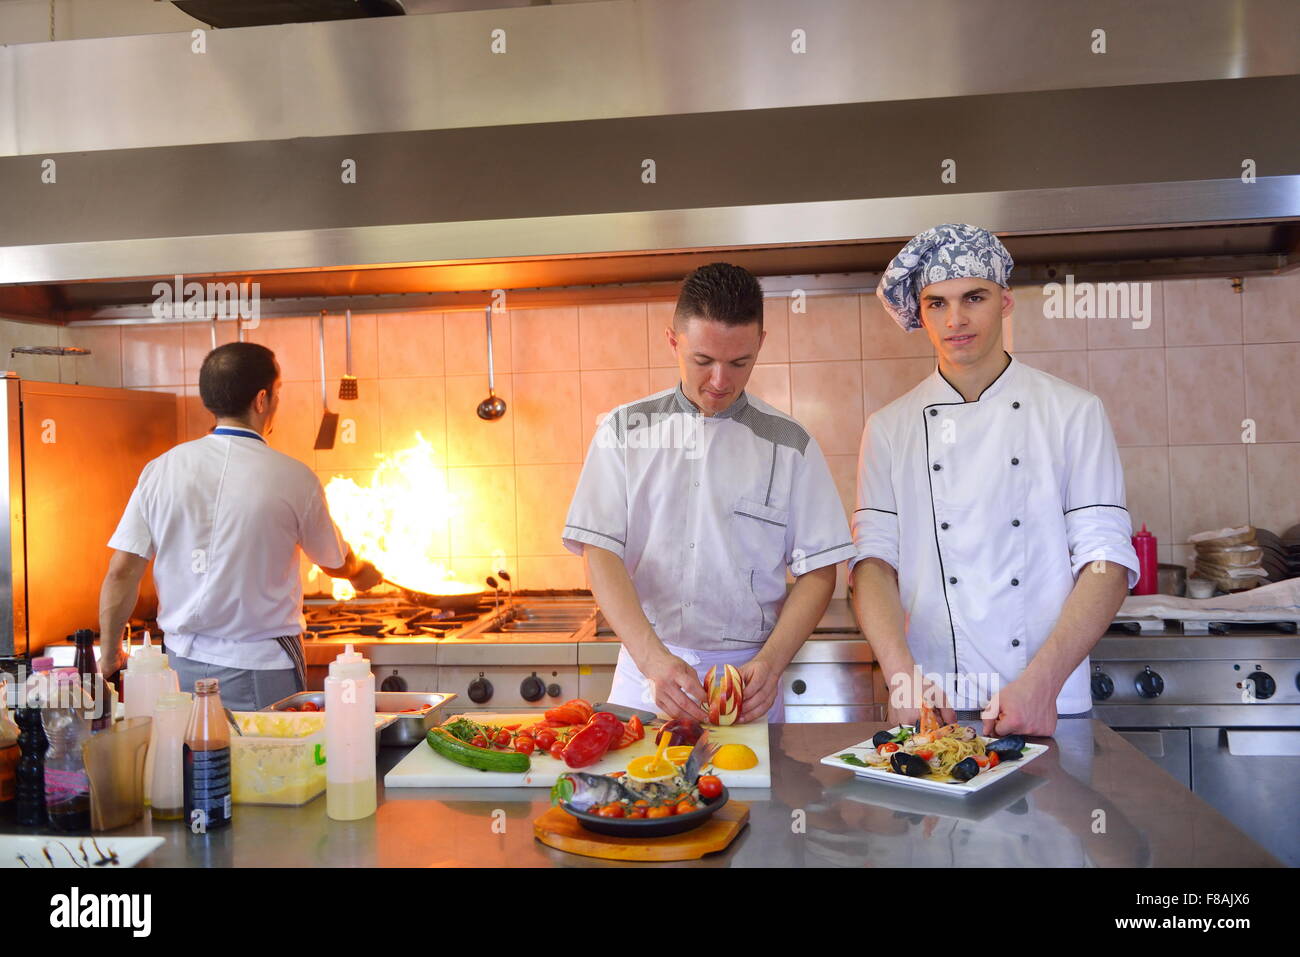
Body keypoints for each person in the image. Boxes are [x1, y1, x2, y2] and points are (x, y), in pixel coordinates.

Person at [851, 224, 1139, 738]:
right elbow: (873, 563)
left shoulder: (1073, 413)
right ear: (920, 312)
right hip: (932, 703)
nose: (955, 320)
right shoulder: (889, 428)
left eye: (973, 298)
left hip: (1044, 698)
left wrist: (1043, 683)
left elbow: (1107, 561)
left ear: (1005, 302)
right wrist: (901, 676)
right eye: (936, 303)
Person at [563, 263, 856, 722]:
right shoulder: (623, 430)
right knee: (639, 794)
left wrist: (772, 661)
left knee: (756, 795)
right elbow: (599, 553)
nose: (721, 381)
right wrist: (652, 660)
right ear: (673, 341)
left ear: (760, 343)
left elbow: (820, 569)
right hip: (647, 676)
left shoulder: (791, 443)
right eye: (703, 361)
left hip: (750, 681)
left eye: (739, 362)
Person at [98, 342, 381, 711]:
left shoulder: (161, 469)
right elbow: (333, 561)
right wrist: (359, 573)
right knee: (270, 765)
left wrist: (108, 655)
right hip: (262, 666)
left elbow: (121, 572)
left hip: (178, 667)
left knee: (197, 765)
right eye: (278, 393)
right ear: (262, 399)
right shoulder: (293, 477)